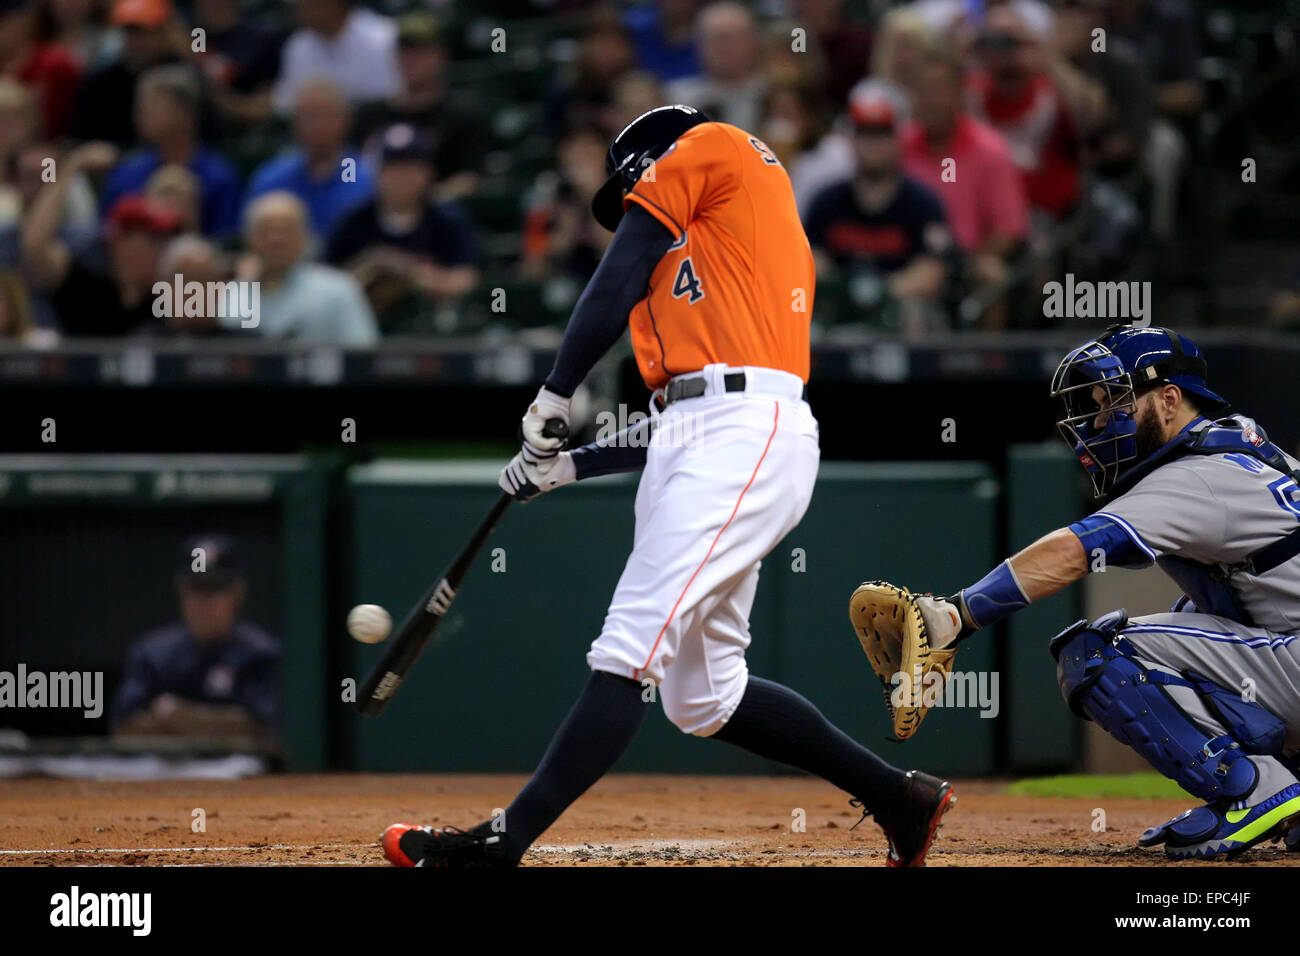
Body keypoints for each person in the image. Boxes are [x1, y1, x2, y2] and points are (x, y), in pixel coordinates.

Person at [381, 105, 955, 869]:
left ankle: (502, 844)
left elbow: (633, 293)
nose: (624, 212)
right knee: (702, 697)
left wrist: (556, 392)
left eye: (627, 189)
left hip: (748, 434)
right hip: (706, 439)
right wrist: (570, 465)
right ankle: (900, 798)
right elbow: (677, 416)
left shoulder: (708, 145)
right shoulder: (700, 276)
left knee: (628, 647)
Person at [891, 325, 1300, 860]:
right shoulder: (1243, 450)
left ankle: (1254, 788)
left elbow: (1072, 551)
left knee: (1099, 653)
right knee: (1193, 614)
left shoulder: (1196, 474)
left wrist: (957, 615)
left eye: (1116, 403)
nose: (1102, 420)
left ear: (1170, 399)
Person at [110, 534, 281, 744]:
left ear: (237, 592)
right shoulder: (153, 652)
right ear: (181, 590)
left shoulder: (260, 652)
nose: (203, 603)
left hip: (235, 771)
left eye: (213, 589)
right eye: (196, 589)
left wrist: (183, 717)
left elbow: (262, 726)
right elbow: (123, 726)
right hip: (159, 770)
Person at [900, 46, 1028, 326]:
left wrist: (968, 261)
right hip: (906, 261)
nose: (931, 99)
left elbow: (1009, 231)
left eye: (939, 89)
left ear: (959, 93)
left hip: (966, 263)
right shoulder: (899, 147)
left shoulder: (990, 150)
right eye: (923, 90)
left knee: (992, 273)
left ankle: (989, 364)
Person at [803, 92, 950, 327]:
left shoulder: (923, 203)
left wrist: (879, 291)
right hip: (837, 312)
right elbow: (809, 260)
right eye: (865, 135)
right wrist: (845, 288)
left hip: (899, 312)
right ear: (851, 141)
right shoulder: (826, 201)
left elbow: (932, 271)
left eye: (881, 135)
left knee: (918, 314)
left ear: (897, 140)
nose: (873, 145)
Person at [324, 124, 478, 328]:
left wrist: (409, 270)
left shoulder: (447, 220)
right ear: (377, 174)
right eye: (393, 168)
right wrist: (370, 268)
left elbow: (468, 279)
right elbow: (323, 284)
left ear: (428, 173)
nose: (402, 177)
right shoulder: (353, 221)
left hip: (430, 327)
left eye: (411, 168)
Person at [23, 144, 183, 336]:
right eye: (154, 239)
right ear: (122, 241)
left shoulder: (166, 294)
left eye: (166, 239)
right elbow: (34, 246)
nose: (165, 248)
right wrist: (71, 167)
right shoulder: (83, 280)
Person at [352, 12, 486, 202]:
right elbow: (348, 166)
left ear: (441, 56)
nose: (412, 61)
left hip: (437, 218)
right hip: (373, 212)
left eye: (421, 52)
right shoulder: (367, 115)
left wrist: (414, 201)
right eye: (405, 52)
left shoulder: (462, 117)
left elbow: (471, 178)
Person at [98, 64, 242, 238]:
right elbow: (107, 236)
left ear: (184, 113)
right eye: (141, 108)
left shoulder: (220, 178)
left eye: (151, 107)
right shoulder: (125, 176)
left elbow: (225, 241)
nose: (139, 115)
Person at [233, 190, 378, 344]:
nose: (276, 239)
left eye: (286, 230)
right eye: (265, 230)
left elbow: (363, 354)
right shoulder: (231, 296)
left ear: (305, 236)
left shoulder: (339, 290)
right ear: (248, 238)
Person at [244, 77, 375, 240]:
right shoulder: (272, 179)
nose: (319, 126)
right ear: (295, 123)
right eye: (310, 117)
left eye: (327, 116)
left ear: (346, 121)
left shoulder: (364, 177)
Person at [271, 0, 400, 115]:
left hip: (373, 125)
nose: (301, 10)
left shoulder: (382, 38)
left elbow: (391, 96)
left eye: (309, 4)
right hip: (317, 132)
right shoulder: (298, 45)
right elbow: (285, 103)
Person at [665, 2, 767, 133]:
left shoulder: (774, 96)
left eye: (730, 38)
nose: (722, 47)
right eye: (713, 39)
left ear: (753, 41)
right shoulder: (676, 99)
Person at [0, 0, 82, 138]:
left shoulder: (56, 65)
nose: (4, 29)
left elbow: (71, 126)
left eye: (5, 20)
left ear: (27, 20)